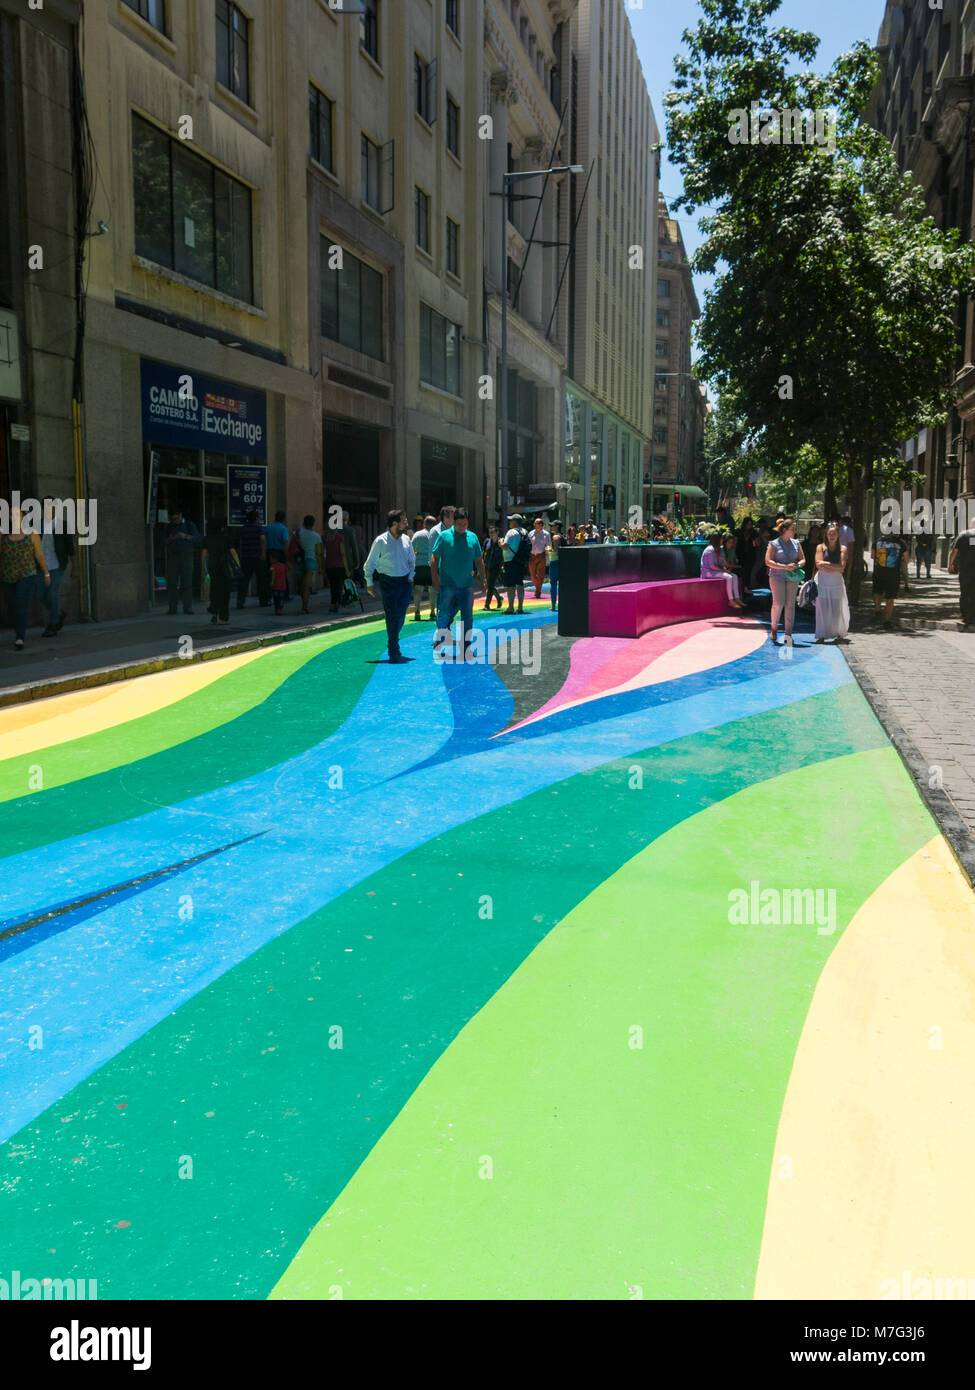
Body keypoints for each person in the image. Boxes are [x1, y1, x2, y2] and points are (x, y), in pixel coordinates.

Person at [431, 506, 486, 659]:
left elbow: (479, 560)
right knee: (444, 614)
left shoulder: (473, 537)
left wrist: (483, 579)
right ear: (453, 522)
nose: (462, 527)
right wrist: (435, 579)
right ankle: (440, 642)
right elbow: (434, 559)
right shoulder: (444, 536)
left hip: (467, 585)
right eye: (460, 524)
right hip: (447, 584)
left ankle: (466, 648)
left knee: (467, 617)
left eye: (465, 524)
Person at [364, 509, 416, 663]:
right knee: (391, 615)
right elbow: (370, 562)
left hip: (404, 582)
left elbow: (412, 561)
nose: (406, 524)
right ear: (395, 524)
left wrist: (411, 577)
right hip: (387, 582)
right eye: (404, 521)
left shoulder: (407, 540)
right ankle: (393, 649)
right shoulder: (381, 540)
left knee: (400, 615)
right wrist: (369, 582)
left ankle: (393, 642)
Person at [1, 509, 49, 650]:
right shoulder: (3, 535)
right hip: (7, 576)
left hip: (27, 575)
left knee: (20, 604)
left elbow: (39, 555)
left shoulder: (32, 534)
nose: (14, 517)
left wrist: (46, 573)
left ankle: (20, 637)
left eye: (17, 515)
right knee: (12, 606)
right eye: (11, 515)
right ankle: (18, 631)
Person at [39, 497, 77, 637]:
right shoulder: (37, 524)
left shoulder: (63, 525)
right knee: (41, 595)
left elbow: (70, 548)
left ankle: (53, 624)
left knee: (52, 594)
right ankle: (59, 613)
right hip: (40, 566)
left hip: (57, 565)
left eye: (52, 506)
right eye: (47, 506)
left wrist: (75, 567)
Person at [765, 516, 803, 644]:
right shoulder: (774, 543)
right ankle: (774, 628)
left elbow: (803, 559)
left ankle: (788, 633)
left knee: (790, 604)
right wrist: (784, 567)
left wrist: (796, 565)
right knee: (778, 603)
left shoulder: (796, 543)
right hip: (777, 576)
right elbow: (768, 561)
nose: (794, 531)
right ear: (785, 530)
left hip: (792, 577)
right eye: (792, 529)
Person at [813, 521, 850, 643]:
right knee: (822, 609)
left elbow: (842, 567)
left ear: (838, 535)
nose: (831, 536)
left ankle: (838, 632)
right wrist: (833, 566)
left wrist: (826, 564)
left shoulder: (843, 548)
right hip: (822, 581)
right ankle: (821, 634)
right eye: (829, 533)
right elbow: (818, 564)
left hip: (836, 582)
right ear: (826, 535)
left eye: (834, 533)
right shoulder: (820, 547)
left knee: (836, 609)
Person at [163, 506, 199, 615]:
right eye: (172, 519)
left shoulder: (189, 525)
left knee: (187, 583)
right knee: (172, 583)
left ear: (180, 515)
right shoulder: (169, 526)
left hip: (186, 556)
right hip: (173, 557)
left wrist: (185, 536)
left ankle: (187, 607)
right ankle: (172, 608)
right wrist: (171, 539)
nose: (174, 521)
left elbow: (197, 539)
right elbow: (164, 541)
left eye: (176, 519)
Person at [201, 515, 236, 625]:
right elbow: (233, 552)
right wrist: (237, 565)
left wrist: (203, 568)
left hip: (212, 564)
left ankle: (214, 612)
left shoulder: (208, 538)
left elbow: (204, 553)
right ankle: (223, 618)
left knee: (214, 589)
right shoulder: (226, 537)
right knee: (225, 591)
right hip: (224, 566)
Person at [700, 532, 746, 608]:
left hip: (715, 571)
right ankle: (731, 601)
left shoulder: (719, 549)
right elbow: (712, 566)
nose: (722, 541)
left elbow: (721, 564)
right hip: (708, 572)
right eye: (721, 539)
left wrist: (725, 569)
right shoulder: (710, 550)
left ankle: (737, 599)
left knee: (734, 576)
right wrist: (724, 571)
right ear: (717, 540)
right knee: (729, 577)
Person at [870, 531, 904, 630]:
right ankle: (887, 621)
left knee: (877, 592)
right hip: (893, 574)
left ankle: (877, 610)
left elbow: (872, 556)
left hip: (879, 572)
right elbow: (906, 559)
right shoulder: (901, 543)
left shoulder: (877, 541)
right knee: (890, 598)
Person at [236, 510, 269, 608]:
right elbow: (262, 539)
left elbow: (240, 542)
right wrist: (263, 553)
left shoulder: (243, 528)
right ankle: (263, 601)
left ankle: (240, 602)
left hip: (246, 557)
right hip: (258, 557)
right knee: (262, 580)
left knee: (244, 581)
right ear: (257, 518)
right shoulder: (259, 528)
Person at [501, 513, 531, 613]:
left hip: (510, 560)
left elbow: (505, 546)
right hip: (521, 561)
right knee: (519, 583)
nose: (509, 522)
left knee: (510, 585)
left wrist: (499, 542)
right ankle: (520, 607)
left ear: (515, 522)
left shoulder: (511, 532)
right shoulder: (525, 532)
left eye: (511, 520)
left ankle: (510, 607)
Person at [948, 525, 975, 628]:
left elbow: (954, 550)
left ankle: (965, 616)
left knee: (964, 592)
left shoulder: (963, 535)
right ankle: (972, 616)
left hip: (965, 570)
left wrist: (950, 564)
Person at [411, 514, 437, 620]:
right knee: (432, 590)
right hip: (432, 565)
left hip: (420, 564)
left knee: (418, 588)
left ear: (424, 524)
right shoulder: (436, 535)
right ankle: (432, 613)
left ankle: (417, 612)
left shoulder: (417, 534)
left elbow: (411, 550)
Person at [297, 514, 323, 615]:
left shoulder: (298, 533)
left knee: (301, 585)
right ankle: (304, 607)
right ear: (313, 524)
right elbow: (319, 553)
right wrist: (321, 567)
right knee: (306, 586)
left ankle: (303, 605)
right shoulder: (316, 536)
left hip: (299, 560)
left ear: (303, 522)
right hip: (310, 560)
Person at [322, 524, 348, 613]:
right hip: (339, 565)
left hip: (328, 565)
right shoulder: (339, 537)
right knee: (339, 585)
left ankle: (333, 604)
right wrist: (347, 568)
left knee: (333, 586)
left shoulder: (324, 538)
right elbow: (343, 553)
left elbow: (322, 552)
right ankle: (337, 602)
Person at [482, 524, 506, 611]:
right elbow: (483, 553)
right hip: (488, 565)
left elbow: (505, 553)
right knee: (490, 585)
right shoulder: (487, 542)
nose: (491, 534)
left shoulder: (501, 542)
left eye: (492, 532)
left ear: (497, 532)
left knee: (491, 585)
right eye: (489, 533)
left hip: (497, 566)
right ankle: (499, 598)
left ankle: (487, 604)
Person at [528, 516, 551, 598]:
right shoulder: (530, 533)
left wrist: (548, 552)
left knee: (540, 575)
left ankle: (538, 592)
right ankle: (538, 588)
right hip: (532, 556)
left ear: (541, 525)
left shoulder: (546, 534)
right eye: (534, 523)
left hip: (541, 555)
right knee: (533, 575)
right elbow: (528, 544)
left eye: (536, 523)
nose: (534, 524)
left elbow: (548, 545)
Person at [839, 515, 856, 588]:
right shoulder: (850, 530)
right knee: (846, 575)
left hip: (837, 554)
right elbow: (851, 545)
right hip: (846, 555)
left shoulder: (838, 529)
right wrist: (850, 557)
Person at [549, 521, 562, 610]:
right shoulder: (562, 536)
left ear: (557, 526)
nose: (551, 527)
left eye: (552, 526)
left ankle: (553, 605)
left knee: (553, 584)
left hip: (554, 561)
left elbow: (555, 549)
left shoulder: (555, 537)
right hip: (561, 561)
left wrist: (549, 549)